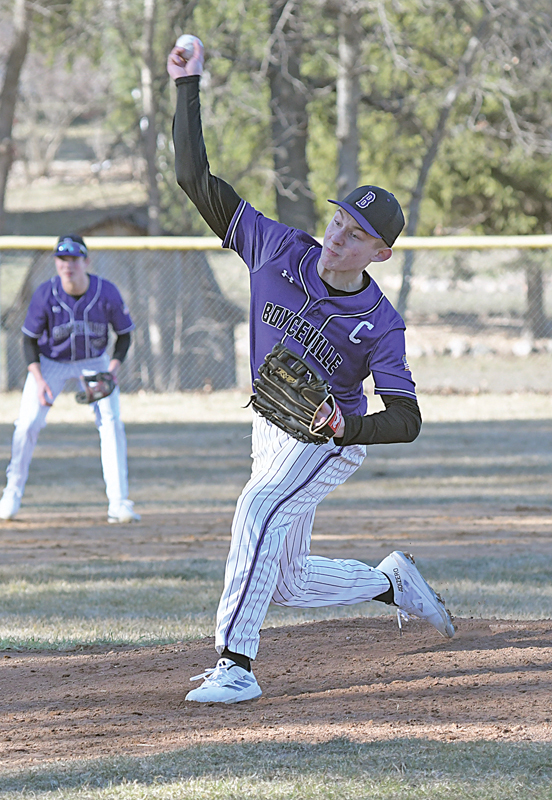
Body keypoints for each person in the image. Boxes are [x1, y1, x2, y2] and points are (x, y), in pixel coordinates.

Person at [167, 38, 454, 704]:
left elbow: (407, 420)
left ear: (379, 253)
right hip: (270, 428)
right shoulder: (274, 247)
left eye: (357, 233)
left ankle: (235, 663)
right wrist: (187, 86)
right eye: (339, 218)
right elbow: (194, 179)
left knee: (256, 510)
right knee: (288, 579)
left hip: (327, 442)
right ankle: (392, 583)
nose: (339, 234)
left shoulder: (379, 323)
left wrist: (345, 424)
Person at [0, 234, 140, 524]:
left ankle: (118, 503)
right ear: (56, 262)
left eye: (74, 258)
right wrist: (39, 380)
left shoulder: (106, 291)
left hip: (94, 362)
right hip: (51, 363)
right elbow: (29, 342)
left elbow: (124, 335)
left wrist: (111, 370)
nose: (68, 264)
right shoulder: (45, 293)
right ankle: (11, 494)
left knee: (112, 423)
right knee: (27, 424)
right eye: (62, 258)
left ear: (86, 261)